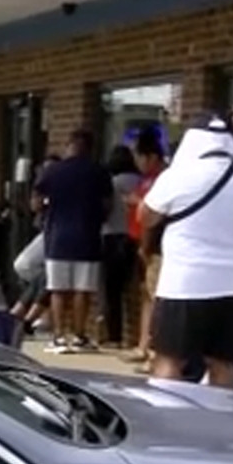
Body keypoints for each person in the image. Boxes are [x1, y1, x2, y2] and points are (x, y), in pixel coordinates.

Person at [139, 117, 233, 387]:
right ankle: (220, 423)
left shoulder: (178, 176)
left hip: (184, 284)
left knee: (170, 361)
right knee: (223, 363)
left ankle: (166, 420)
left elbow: (146, 217)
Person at [33, 129, 112, 353]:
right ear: (90, 147)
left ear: (68, 145)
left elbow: (36, 203)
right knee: (82, 291)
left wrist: (48, 209)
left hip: (57, 238)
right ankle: (79, 336)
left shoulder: (53, 171)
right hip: (88, 238)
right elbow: (107, 205)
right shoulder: (99, 172)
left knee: (58, 290)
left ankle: (58, 338)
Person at [121, 128, 167, 371]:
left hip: (155, 247)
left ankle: (155, 354)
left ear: (151, 156)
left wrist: (146, 247)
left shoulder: (163, 179)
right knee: (146, 297)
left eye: (139, 157)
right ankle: (143, 345)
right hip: (139, 241)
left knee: (158, 298)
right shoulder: (145, 180)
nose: (137, 163)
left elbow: (153, 215)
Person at [101, 146, 144, 347]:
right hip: (135, 238)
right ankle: (136, 335)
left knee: (112, 291)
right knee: (136, 290)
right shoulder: (140, 182)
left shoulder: (110, 184)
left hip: (112, 236)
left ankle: (114, 336)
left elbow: (105, 211)